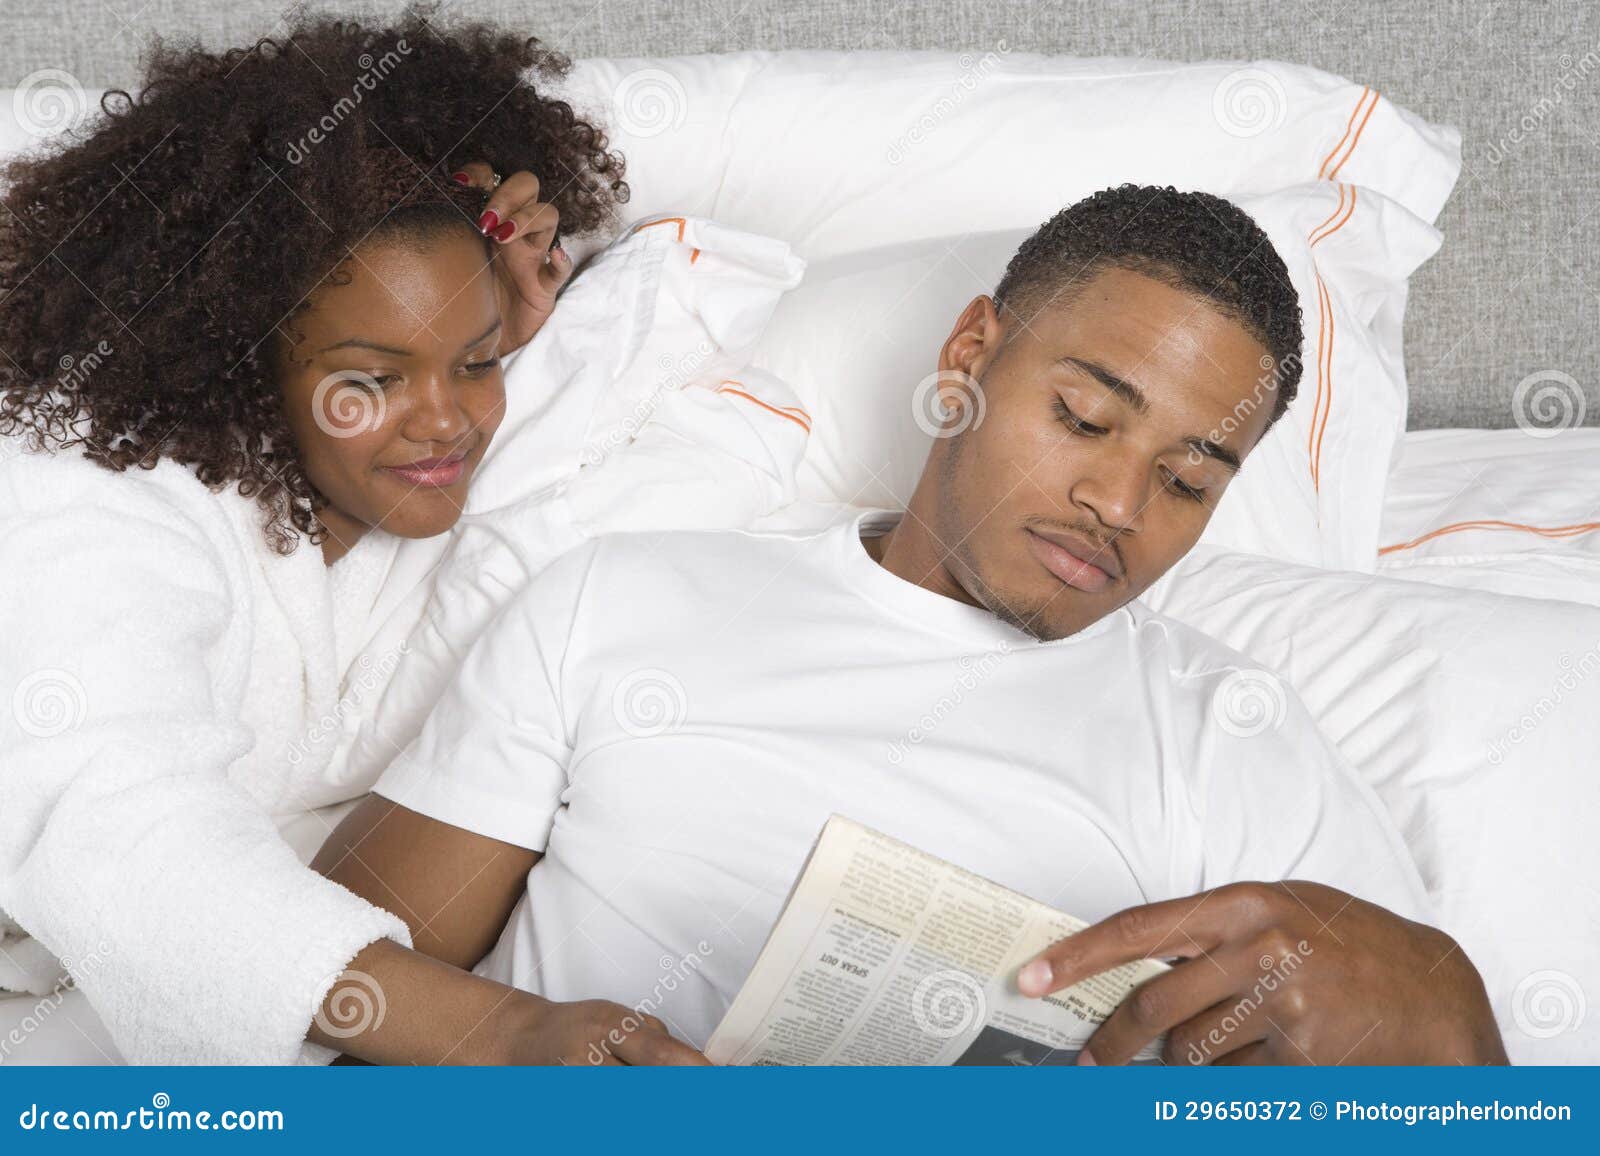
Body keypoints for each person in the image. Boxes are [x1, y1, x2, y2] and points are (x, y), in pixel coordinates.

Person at [314, 184, 1507, 1067]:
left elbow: (1454, 1092)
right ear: (971, 351)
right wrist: (514, 1045)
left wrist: (1448, 1013)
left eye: (1190, 481)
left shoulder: (1231, 733)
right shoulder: (623, 602)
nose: (1120, 503)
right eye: (1085, 417)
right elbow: (308, 973)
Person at [0, 11, 783, 1065]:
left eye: (476, 362)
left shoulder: (348, 495)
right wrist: (501, 1032)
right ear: (242, 360)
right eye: (372, 379)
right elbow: (112, 823)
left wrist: (476, 311)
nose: (446, 421)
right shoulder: (73, 492)